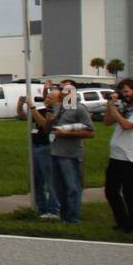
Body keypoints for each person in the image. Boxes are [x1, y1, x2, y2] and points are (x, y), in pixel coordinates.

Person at [103, 78, 133, 236]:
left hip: (131, 157)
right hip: (116, 156)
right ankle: (122, 222)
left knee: (129, 193)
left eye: (127, 91)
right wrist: (111, 106)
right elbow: (107, 122)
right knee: (111, 191)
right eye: (122, 92)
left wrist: (115, 110)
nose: (125, 95)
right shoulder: (123, 107)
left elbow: (126, 125)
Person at [49, 85, 95, 223]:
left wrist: (66, 133)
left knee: (72, 187)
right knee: (59, 187)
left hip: (71, 154)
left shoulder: (79, 109)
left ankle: (73, 217)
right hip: (56, 151)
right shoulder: (59, 108)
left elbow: (91, 132)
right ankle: (64, 216)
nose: (64, 95)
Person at [18, 86, 61, 218]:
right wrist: (20, 104)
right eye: (47, 97)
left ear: (58, 101)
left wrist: (32, 107)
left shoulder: (57, 113)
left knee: (50, 180)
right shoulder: (42, 110)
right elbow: (23, 116)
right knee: (36, 180)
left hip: (47, 147)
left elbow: (44, 125)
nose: (46, 99)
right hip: (35, 147)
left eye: (50, 98)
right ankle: (41, 208)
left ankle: (53, 210)